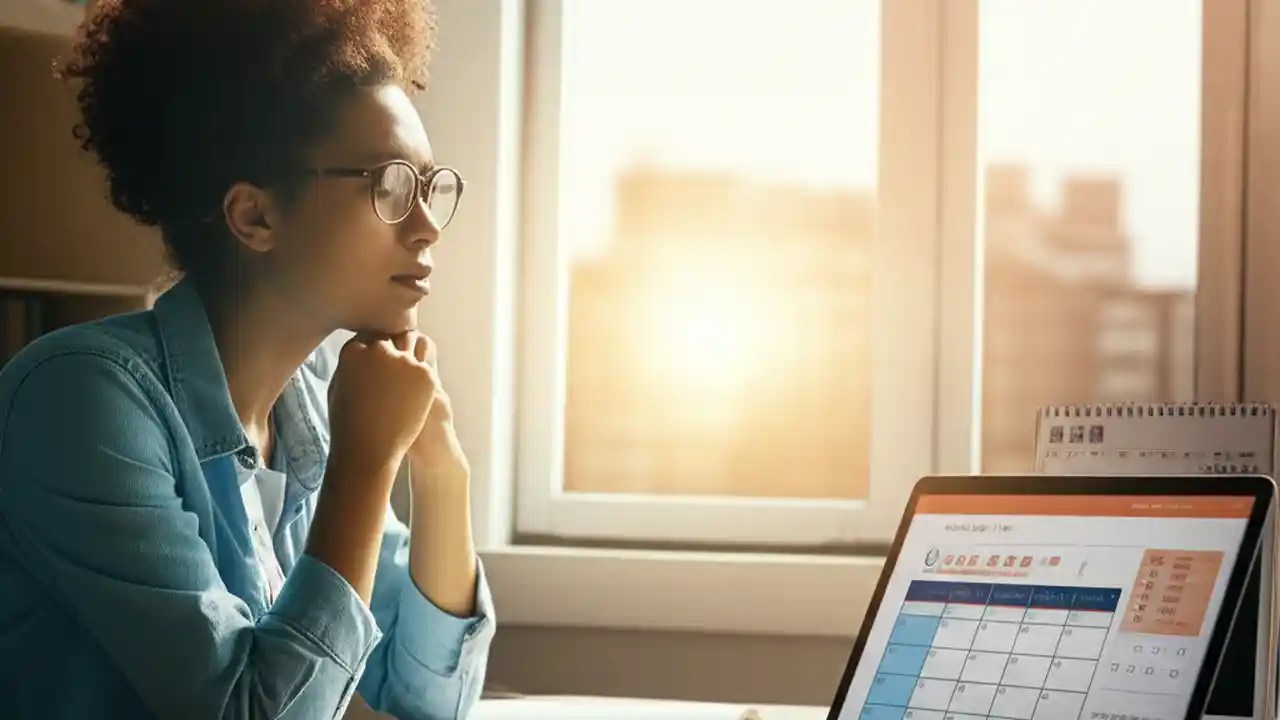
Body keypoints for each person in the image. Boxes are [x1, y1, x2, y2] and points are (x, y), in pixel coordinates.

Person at [0, 1, 494, 717]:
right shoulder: (81, 401)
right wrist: (363, 463)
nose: (427, 228)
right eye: (390, 185)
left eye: (428, 185)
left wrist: (443, 474)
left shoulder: (316, 392)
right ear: (255, 216)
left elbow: (424, 699)